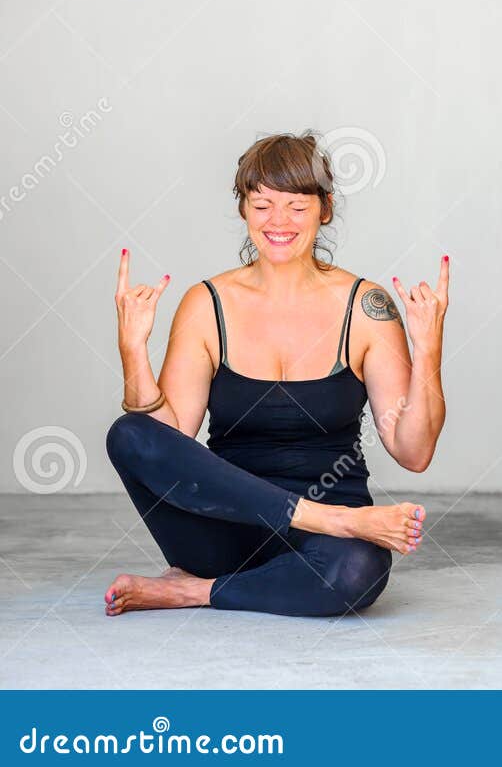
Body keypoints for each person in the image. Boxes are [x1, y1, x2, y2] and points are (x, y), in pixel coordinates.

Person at [103, 131, 449, 617]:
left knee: (352, 574)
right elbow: (167, 442)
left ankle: (191, 590)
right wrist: (132, 349)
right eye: (262, 205)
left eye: (296, 206)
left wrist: (428, 349)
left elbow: (414, 453)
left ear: (324, 209)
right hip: (224, 528)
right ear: (243, 209)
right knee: (129, 434)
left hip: (326, 542)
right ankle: (315, 532)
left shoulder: (366, 308)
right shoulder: (206, 304)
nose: (278, 222)